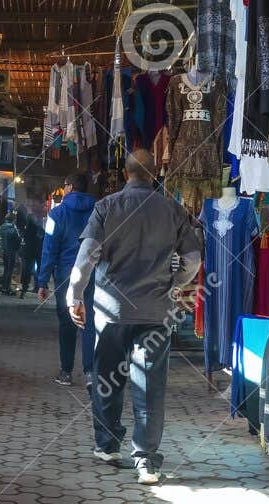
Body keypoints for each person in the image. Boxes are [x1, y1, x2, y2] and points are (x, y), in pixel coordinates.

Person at [68, 150, 202, 484]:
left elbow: (86, 257)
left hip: (110, 312)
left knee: (106, 378)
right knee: (150, 384)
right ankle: (147, 463)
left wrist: (74, 296)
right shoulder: (172, 210)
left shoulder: (107, 207)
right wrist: (176, 280)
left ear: (126, 174)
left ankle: (107, 444)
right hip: (155, 312)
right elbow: (193, 259)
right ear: (155, 175)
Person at [38, 174, 97, 386]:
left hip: (65, 275)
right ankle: (90, 371)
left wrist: (43, 280)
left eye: (64, 186)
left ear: (70, 186)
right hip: (92, 272)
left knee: (67, 321)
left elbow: (49, 247)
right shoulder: (98, 210)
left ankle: (66, 372)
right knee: (89, 321)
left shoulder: (57, 213)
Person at [0, 212, 21, 295]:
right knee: (10, 270)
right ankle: (6, 287)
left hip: (4, 251)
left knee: (6, 269)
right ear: (13, 220)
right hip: (12, 251)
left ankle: (4, 287)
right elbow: (18, 239)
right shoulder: (13, 228)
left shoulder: (2, 227)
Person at [15, 205, 39, 296]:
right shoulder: (34, 227)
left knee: (25, 269)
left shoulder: (23, 227)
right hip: (32, 251)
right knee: (29, 269)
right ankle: (25, 287)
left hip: (25, 251)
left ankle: (23, 287)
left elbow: (22, 238)